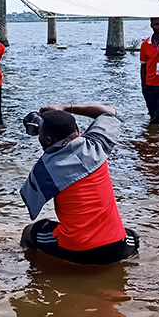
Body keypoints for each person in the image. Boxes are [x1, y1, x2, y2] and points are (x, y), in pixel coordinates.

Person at [19, 103, 140, 265]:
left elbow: (31, 203)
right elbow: (109, 112)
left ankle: (32, 273)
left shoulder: (44, 169)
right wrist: (65, 108)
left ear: (47, 140)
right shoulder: (97, 146)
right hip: (117, 247)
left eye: (40, 134)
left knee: (29, 232)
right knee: (132, 237)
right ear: (76, 131)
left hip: (79, 250)